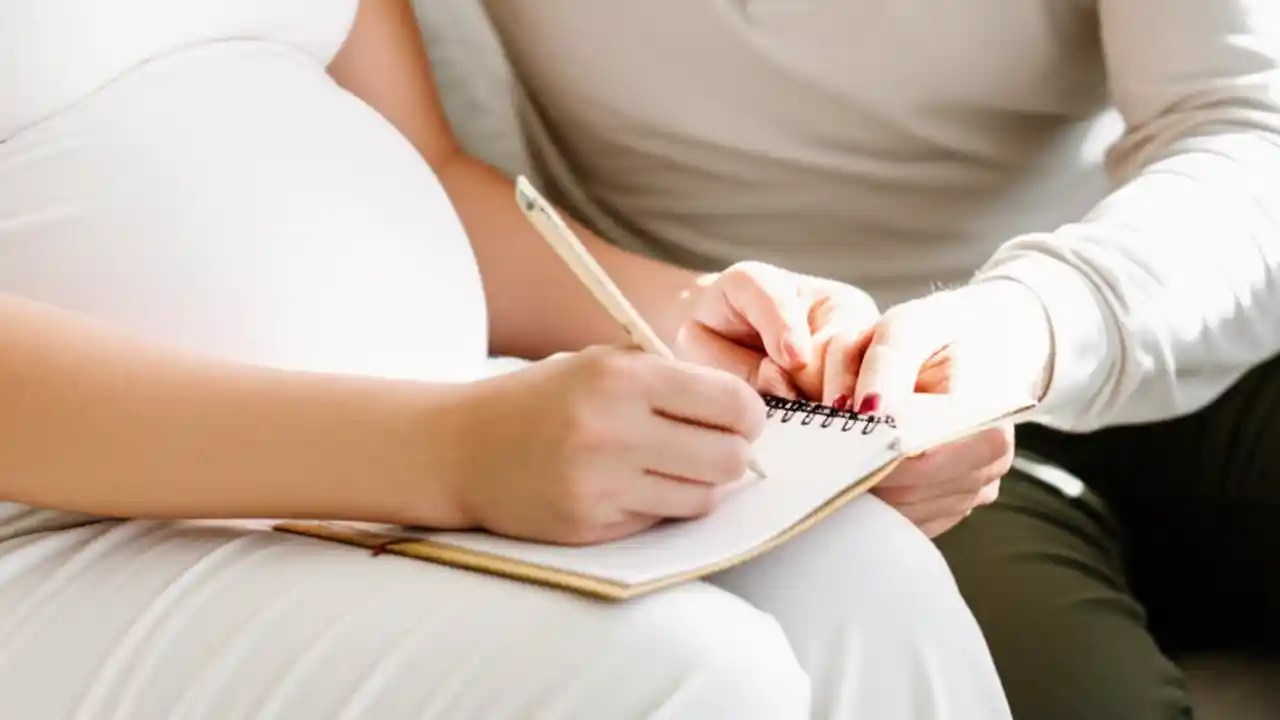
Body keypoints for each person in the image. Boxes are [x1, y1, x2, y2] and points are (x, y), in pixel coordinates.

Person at [0, 1, 1013, 718]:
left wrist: (706, 337)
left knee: (863, 580)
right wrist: (448, 457)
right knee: (679, 678)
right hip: (58, 520)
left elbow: (429, 171)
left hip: (427, 435)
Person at [469, 1, 1280, 718]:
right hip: (815, 428)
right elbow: (420, 185)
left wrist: (1025, 327)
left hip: (1144, 309)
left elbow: (1248, 130)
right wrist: (713, 340)